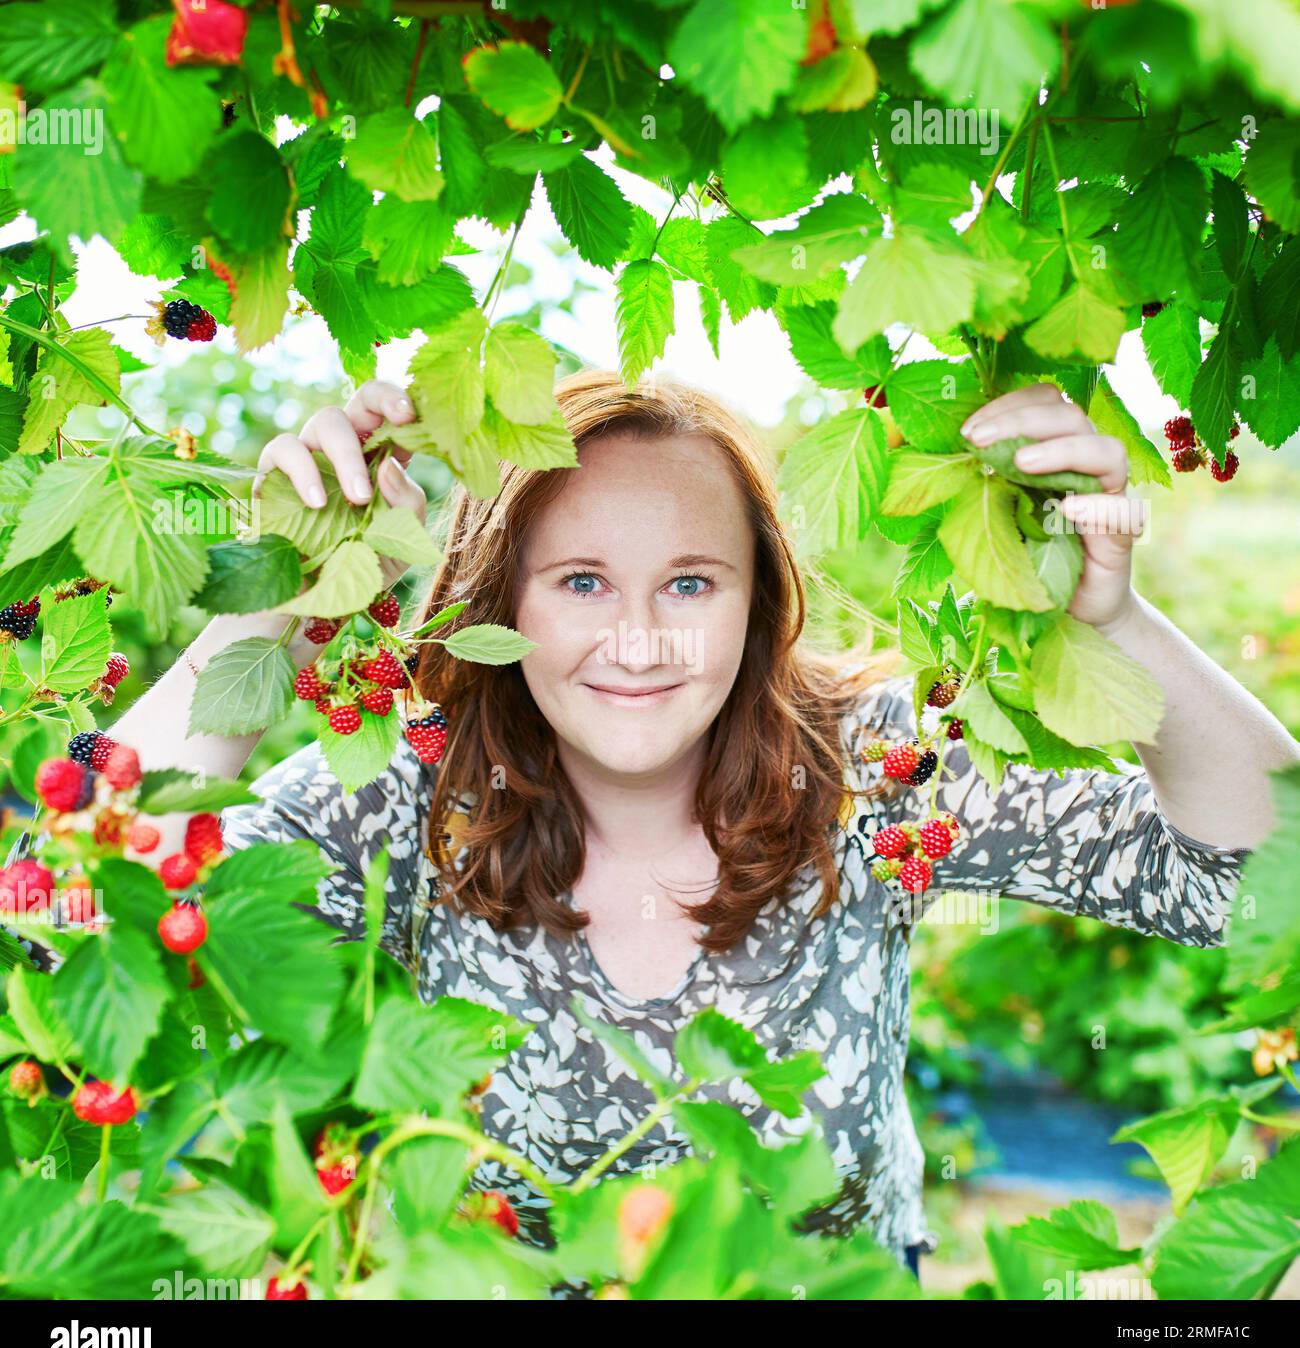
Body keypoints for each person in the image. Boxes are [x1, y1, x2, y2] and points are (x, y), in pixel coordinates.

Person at [111, 371, 1300, 1289]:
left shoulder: (871, 775)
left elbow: (1257, 875)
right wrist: (261, 620)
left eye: (690, 582)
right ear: (502, 596)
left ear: (759, 601)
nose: (638, 642)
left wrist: (1118, 616)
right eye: (580, 580)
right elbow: (63, 915)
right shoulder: (421, 792)